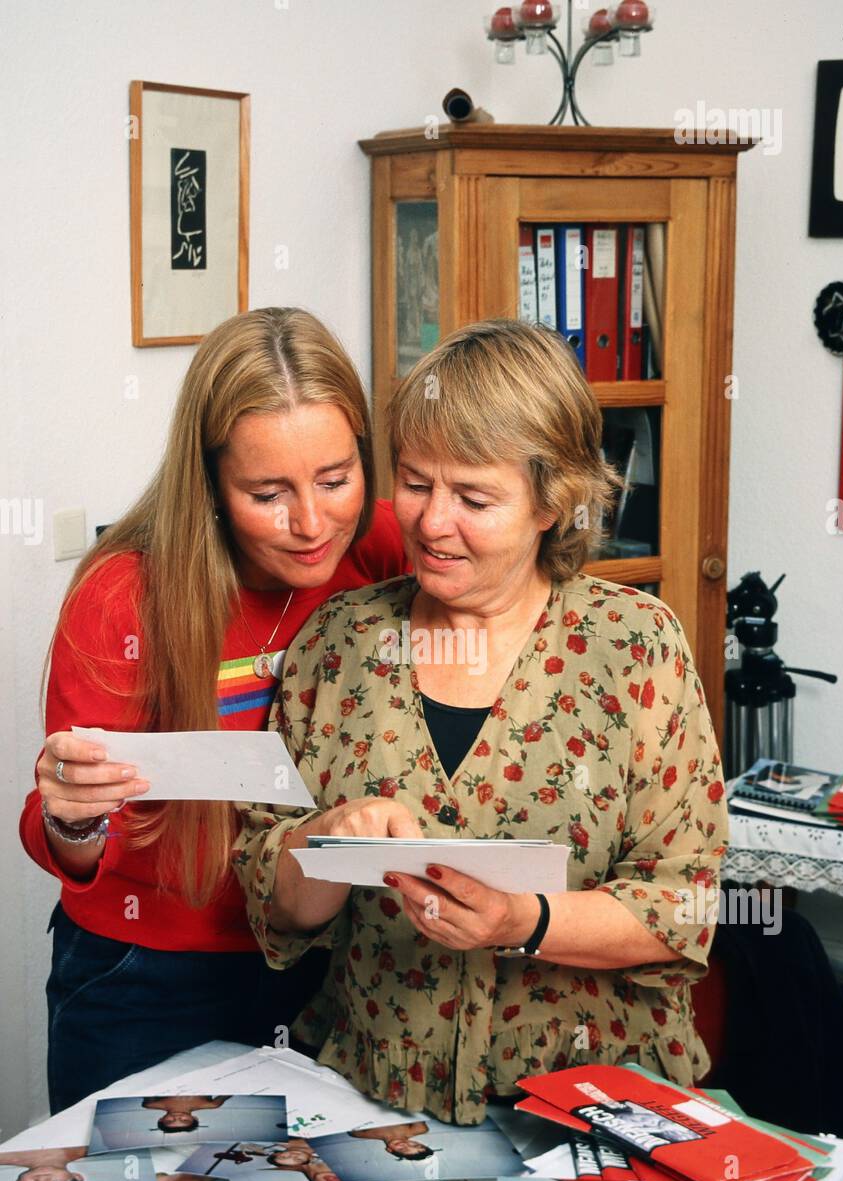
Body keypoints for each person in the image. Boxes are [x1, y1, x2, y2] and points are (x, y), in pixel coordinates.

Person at [233, 318, 729, 1124]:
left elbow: (687, 905)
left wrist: (521, 921)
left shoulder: (636, 647)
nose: (431, 522)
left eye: (474, 498)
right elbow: (270, 898)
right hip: (376, 1106)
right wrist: (325, 842)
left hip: (591, 1108)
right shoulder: (340, 641)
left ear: (553, 502)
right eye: (417, 483)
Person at [19, 306, 408, 1112]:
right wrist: (74, 817)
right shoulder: (123, 594)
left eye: (336, 480)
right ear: (211, 485)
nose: (311, 523)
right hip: (149, 975)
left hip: (328, 959)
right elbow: (65, 840)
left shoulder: (372, 547)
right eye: (268, 493)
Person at [141, 1095, 229, 1134]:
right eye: (184, 1120)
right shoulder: (212, 1104)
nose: (177, 1117)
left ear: (161, 1119)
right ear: (195, 1118)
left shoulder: (151, 1104)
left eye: (170, 1121)